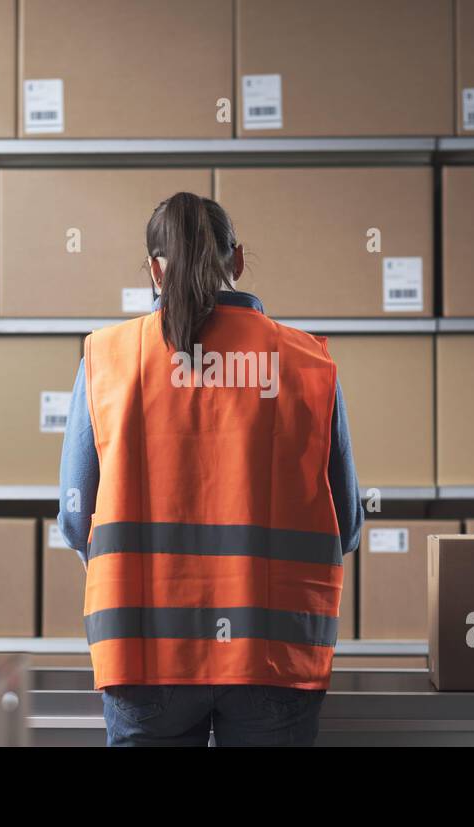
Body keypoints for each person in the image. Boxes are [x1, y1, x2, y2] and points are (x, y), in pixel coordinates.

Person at [57, 192, 362, 747]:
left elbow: (76, 521)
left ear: (155, 269)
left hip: (143, 652)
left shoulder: (109, 358)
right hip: (273, 654)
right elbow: (347, 522)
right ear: (237, 260)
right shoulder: (305, 363)